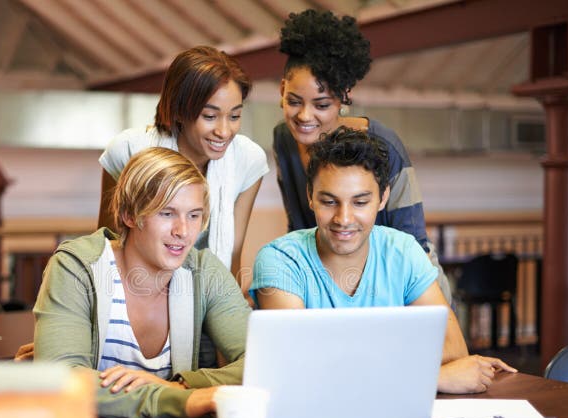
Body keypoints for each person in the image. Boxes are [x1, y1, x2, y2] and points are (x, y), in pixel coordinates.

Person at [251, 127, 516, 393]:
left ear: (383, 198)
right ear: (310, 196)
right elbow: (298, 366)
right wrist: (434, 378)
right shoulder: (281, 260)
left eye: (360, 202)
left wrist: (351, 367)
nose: (344, 219)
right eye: (329, 202)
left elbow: (453, 349)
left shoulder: (403, 250)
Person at [34, 147, 248, 418]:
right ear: (130, 215)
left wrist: (181, 386)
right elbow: (63, 380)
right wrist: (179, 400)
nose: (183, 231)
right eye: (167, 213)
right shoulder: (76, 267)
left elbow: (265, 361)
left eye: (194, 215)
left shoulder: (205, 271)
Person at [274, 9, 452, 301]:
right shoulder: (283, 140)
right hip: (339, 281)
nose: (304, 116)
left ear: (344, 97)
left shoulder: (385, 146)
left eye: (321, 105)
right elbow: (300, 228)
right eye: (294, 101)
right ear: (282, 90)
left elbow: (414, 244)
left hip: (404, 284)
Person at [98, 45, 268, 280]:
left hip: (209, 291)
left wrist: (231, 301)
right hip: (136, 287)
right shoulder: (128, 151)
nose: (224, 131)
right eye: (210, 116)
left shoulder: (248, 160)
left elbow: (233, 253)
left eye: (234, 116)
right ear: (178, 110)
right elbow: (108, 247)